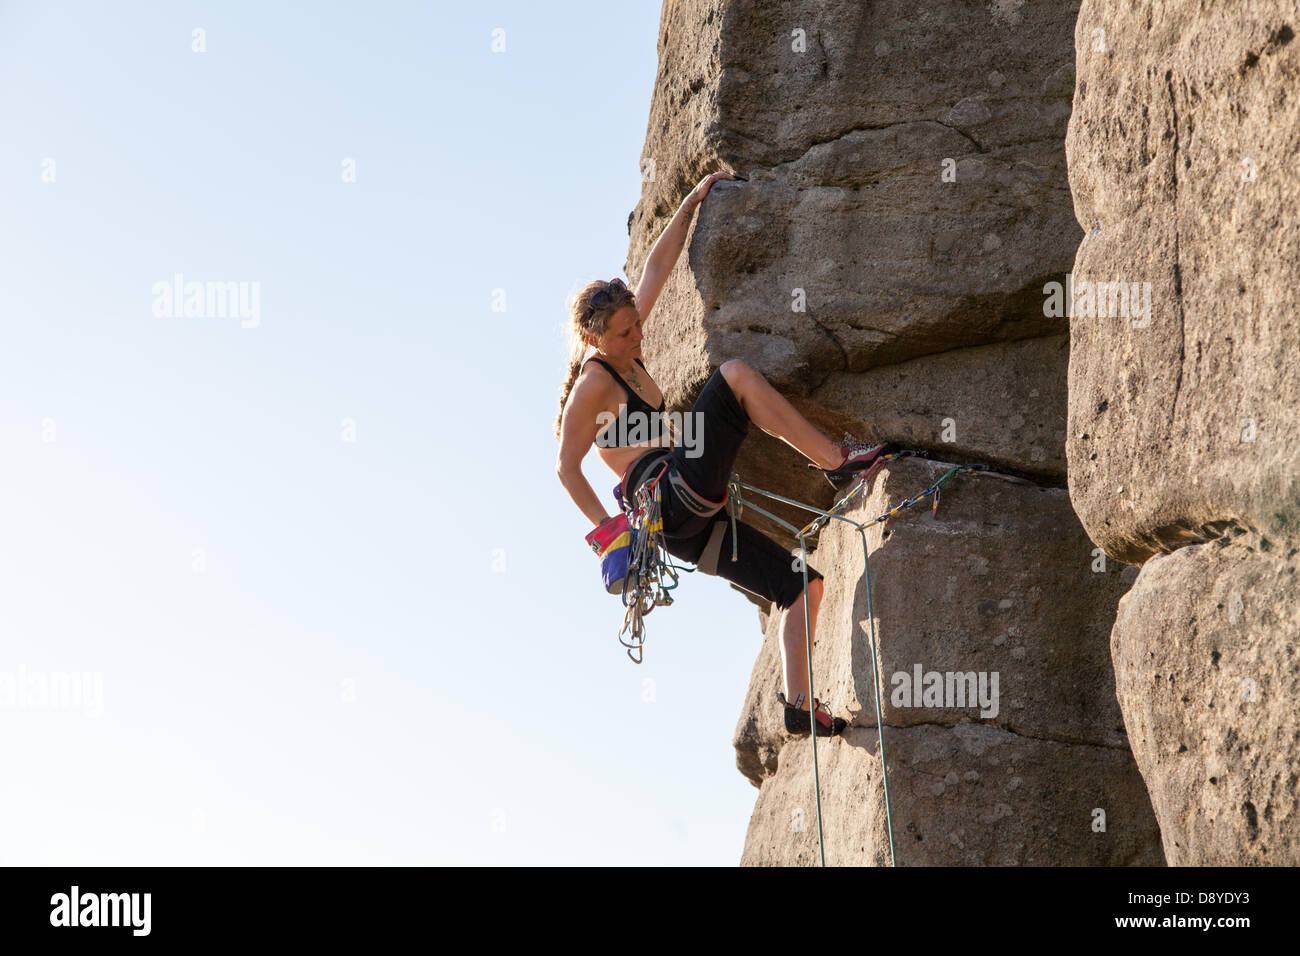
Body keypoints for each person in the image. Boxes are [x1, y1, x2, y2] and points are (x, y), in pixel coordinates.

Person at [554, 171, 892, 737]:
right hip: (668, 494)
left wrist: (689, 203)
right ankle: (838, 462)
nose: (638, 337)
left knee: (800, 585)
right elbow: (565, 466)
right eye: (624, 333)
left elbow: (656, 269)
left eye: (636, 326)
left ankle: (798, 707)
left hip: (687, 526)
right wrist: (610, 532)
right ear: (593, 339)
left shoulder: (625, 344)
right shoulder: (593, 384)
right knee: (733, 377)